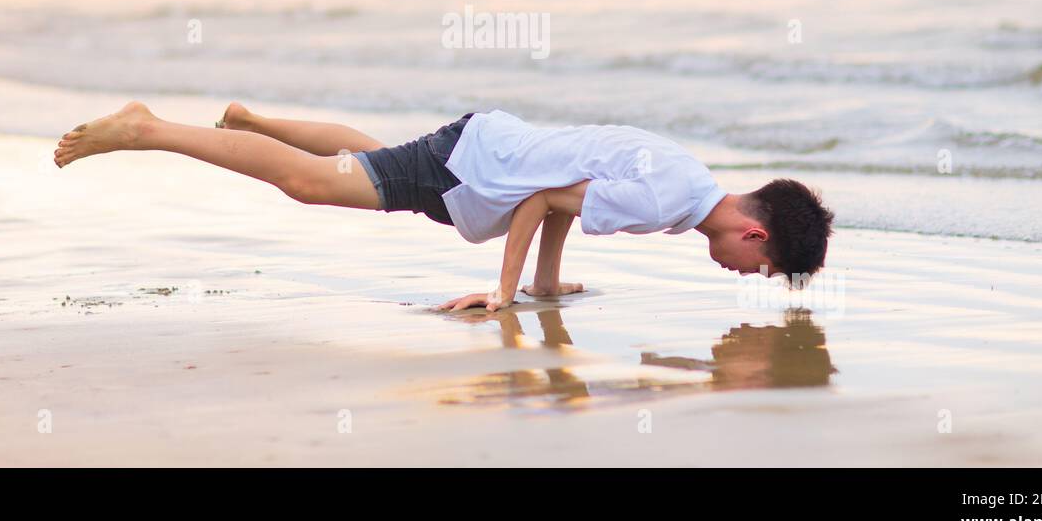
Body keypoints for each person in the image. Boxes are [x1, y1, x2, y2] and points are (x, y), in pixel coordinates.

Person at [54, 103, 833, 312]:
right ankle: (146, 129)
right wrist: (506, 291)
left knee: (365, 166)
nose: (747, 274)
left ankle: (254, 123)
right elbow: (541, 201)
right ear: (756, 233)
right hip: (481, 168)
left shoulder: (685, 188)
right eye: (760, 270)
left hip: (482, 158)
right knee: (315, 184)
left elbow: (567, 198)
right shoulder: (671, 196)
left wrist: (547, 285)